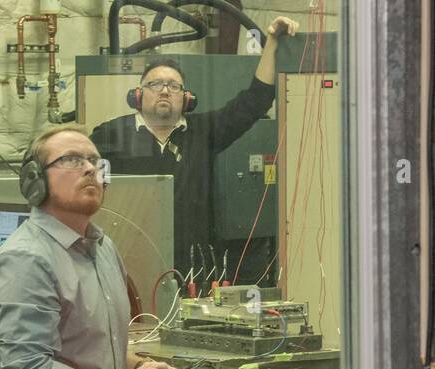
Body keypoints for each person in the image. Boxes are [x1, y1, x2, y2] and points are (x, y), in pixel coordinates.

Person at [0, 124, 201, 369]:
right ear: (35, 180)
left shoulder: (103, 248)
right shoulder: (26, 259)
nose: (90, 170)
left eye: (96, 162)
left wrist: (139, 368)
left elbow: (93, 353)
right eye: (71, 160)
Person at [90, 17, 299, 267]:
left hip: (192, 264)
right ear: (138, 95)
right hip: (127, 256)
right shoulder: (111, 134)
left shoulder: (203, 132)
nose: (165, 90)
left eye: (174, 86)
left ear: (187, 99)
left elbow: (254, 101)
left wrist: (273, 41)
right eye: (155, 84)